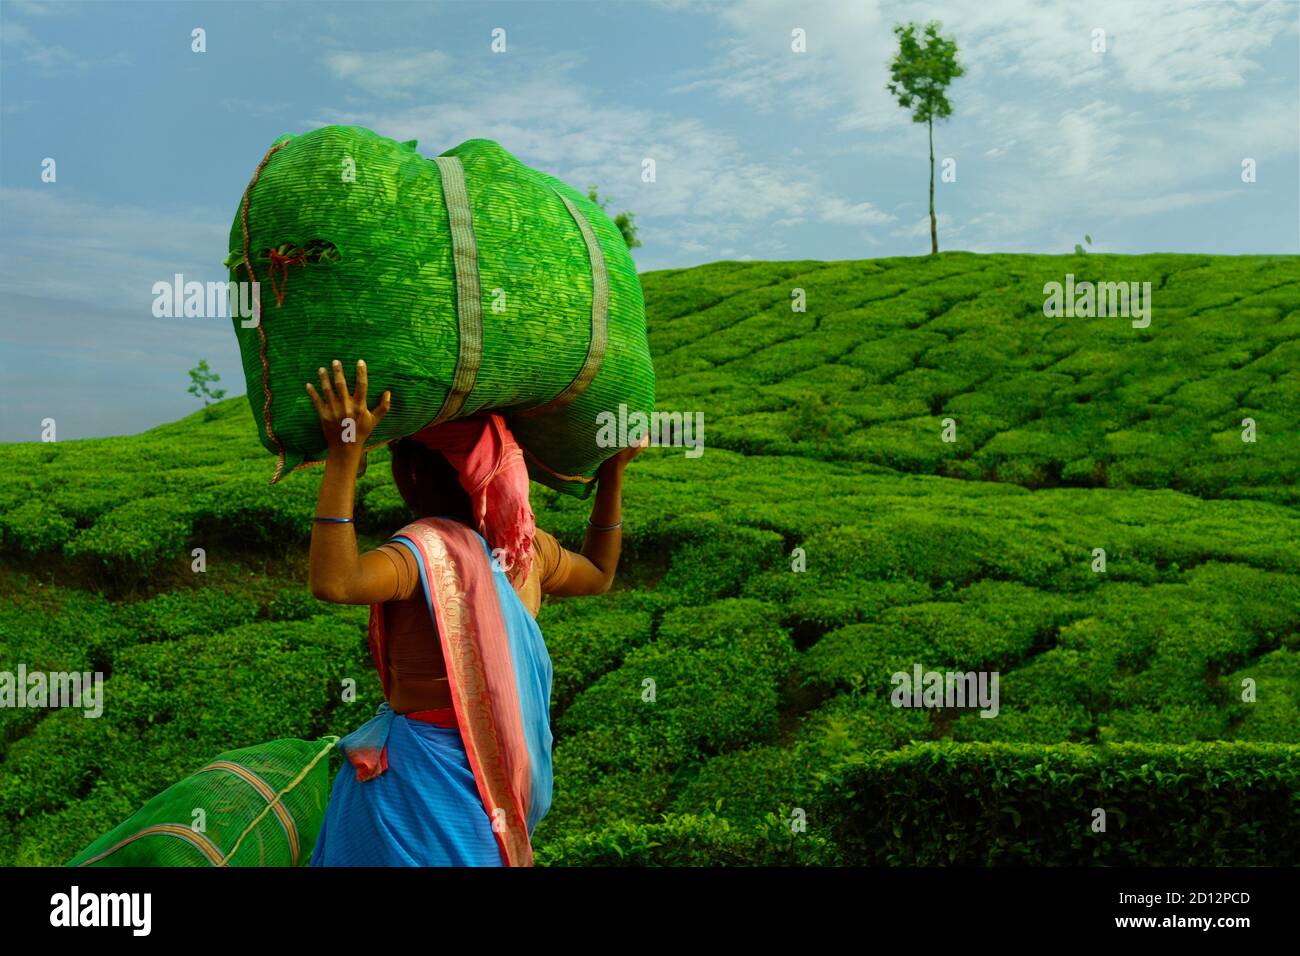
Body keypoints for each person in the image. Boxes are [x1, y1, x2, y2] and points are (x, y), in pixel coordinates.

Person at [301, 358, 643, 866]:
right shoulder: (527, 553)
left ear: (416, 474)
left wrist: (344, 456)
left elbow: (335, 581)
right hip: (495, 784)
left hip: (417, 788)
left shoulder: (427, 551)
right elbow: (598, 572)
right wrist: (612, 474)